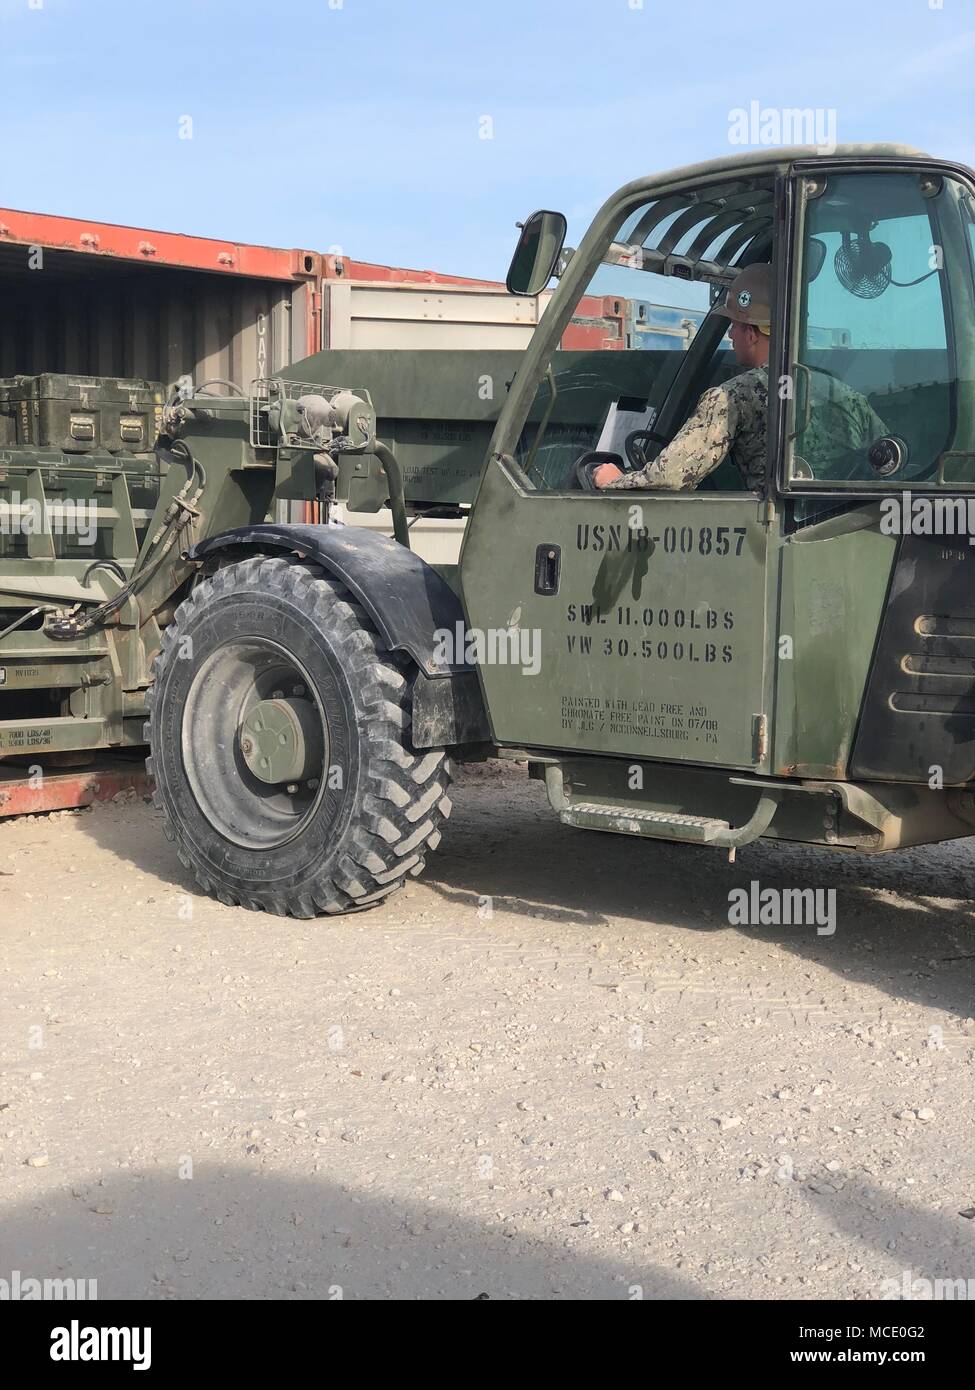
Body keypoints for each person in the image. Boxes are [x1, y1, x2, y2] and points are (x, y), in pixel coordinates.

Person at [593, 262, 885, 492]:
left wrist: (614, 481)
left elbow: (671, 477)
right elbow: (884, 456)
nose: (731, 334)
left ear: (751, 332)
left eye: (734, 325)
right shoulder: (842, 393)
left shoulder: (733, 397)